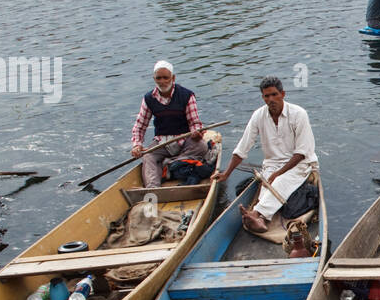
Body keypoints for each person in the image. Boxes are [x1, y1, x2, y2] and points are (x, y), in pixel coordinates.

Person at [212, 76, 318, 233]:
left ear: (283, 94)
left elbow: (301, 153)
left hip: (300, 163)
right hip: (272, 163)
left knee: (280, 181)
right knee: (267, 188)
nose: (271, 99)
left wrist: (279, 173)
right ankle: (261, 219)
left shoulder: (298, 114)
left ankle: (256, 213)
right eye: (267, 96)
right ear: (263, 97)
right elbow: (243, 148)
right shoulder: (258, 116)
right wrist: (226, 173)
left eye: (274, 94)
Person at [130, 60, 209, 189]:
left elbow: (194, 123)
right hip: (162, 142)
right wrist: (137, 145)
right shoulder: (149, 98)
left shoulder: (187, 95)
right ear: (154, 79)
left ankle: (169, 165)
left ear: (173, 78)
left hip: (184, 140)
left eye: (166, 78)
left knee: (201, 147)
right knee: (148, 156)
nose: (162, 81)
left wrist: (196, 133)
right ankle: (153, 187)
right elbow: (140, 126)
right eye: (158, 78)